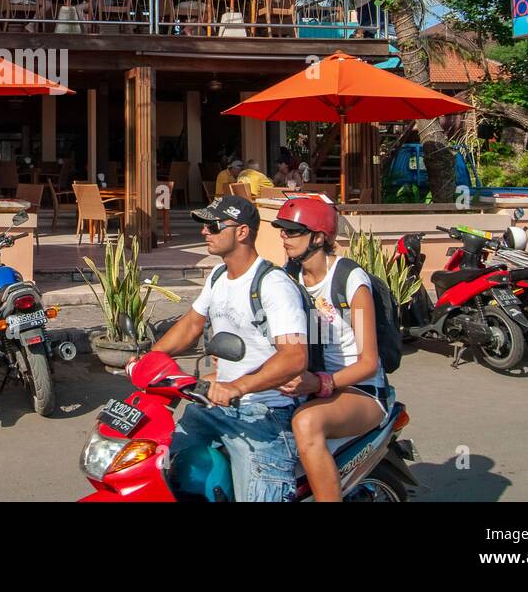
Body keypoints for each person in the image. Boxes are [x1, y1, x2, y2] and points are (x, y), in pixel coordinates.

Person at [140, 196, 308, 502]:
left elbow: (294, 356)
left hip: (264, 415)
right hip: (214, 407)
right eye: (205, 226)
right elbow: (191, 325)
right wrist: (149, 360)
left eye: (214, 226)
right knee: (158, 469)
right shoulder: (218, 277)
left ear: (242, 232)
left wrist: (237, 386)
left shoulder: (272, 284)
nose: (205, 232)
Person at [272, 197, 385, 502]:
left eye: (293, 231)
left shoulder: (349, 280)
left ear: (319, 237)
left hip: (360, 390)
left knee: (305, 423)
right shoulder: (289, 278)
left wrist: (323, 382)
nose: (284, 236)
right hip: (311, 383)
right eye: (282, 230)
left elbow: (369, 362)